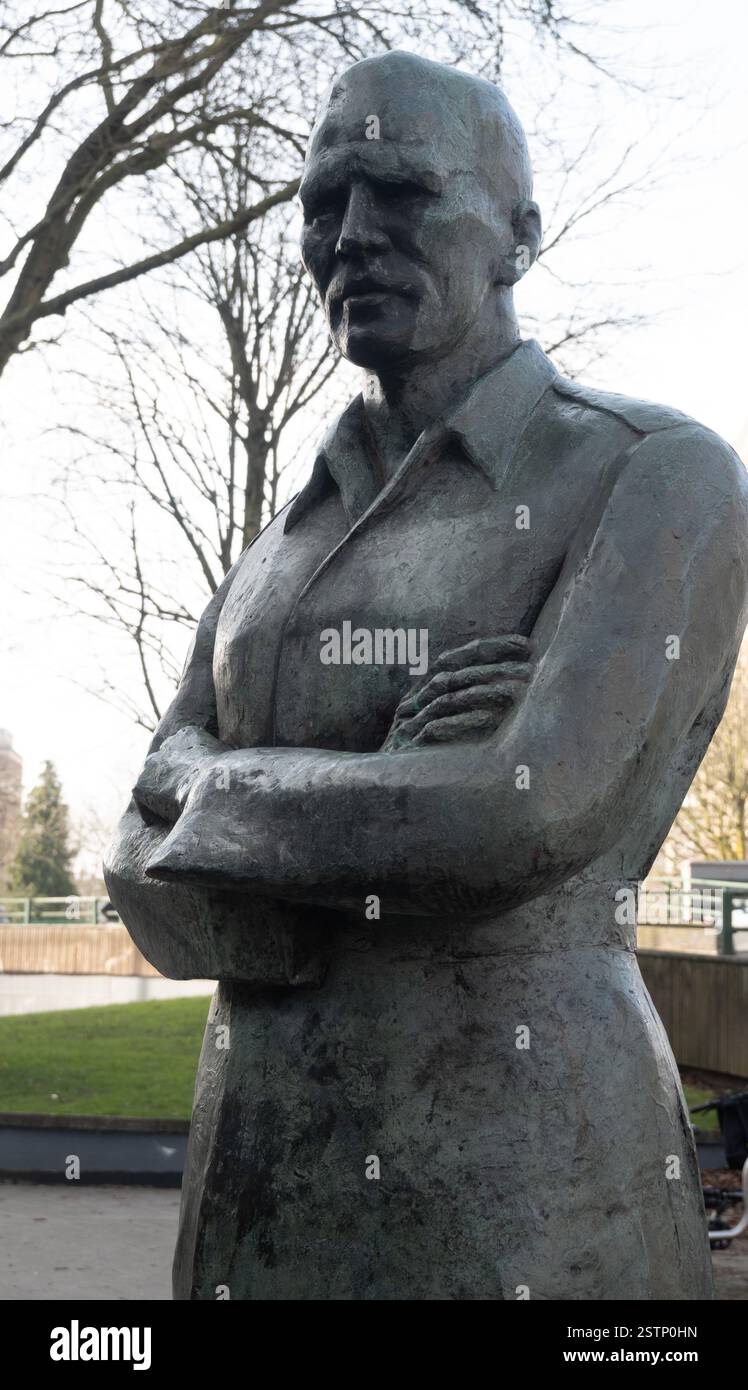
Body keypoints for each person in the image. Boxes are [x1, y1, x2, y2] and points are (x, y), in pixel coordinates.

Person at [106, 52, 748, 1300]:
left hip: (525, 1197)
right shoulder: (279, 550)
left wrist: (220, 802)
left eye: (399, 192)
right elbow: (136, 854)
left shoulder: (654, 475)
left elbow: (517, 812)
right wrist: (369, 794)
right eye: (322, 202)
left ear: (516, 233)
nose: (350, 236)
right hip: (249, 1192)